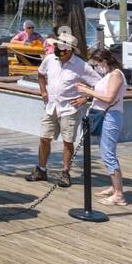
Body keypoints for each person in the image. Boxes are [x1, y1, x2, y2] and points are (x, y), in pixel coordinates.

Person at [29, 29, 98, 187]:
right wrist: (43, 91)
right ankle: (41, 169)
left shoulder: (82, 66)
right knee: (44, 138)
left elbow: (99, 84)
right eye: (56, 48)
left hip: (69, 108)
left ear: (70, 50)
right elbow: (40, 74)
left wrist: (85, 98)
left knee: (68, 142)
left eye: (60, 49)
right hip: (51, 106)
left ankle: (65, 172)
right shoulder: (49, 59)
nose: (57, 51)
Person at [73, 47, 129, 206]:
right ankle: (114, 187)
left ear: (104, 61)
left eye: (96, 64)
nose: (95, 68)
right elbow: (104, 95)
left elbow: (109, 98)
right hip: (106, 115)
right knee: (106, 152)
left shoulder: (116, 75)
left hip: (111, 116)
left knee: (108, 154)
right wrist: (88, 92)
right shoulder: (109, 75)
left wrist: (86, 90)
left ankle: (119, 195)